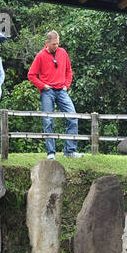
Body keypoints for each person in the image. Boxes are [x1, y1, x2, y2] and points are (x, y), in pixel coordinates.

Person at [26, 30, 81, 159]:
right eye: (54, 44)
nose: (56, 46)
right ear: (47, 43)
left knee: (73, 116)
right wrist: (43, 86)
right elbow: (31, 75)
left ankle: (70, 151)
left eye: (57, 43)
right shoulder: (40, 56)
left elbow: (69, 71)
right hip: (47, 91)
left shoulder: (63, 53)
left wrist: (67, 85)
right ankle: (51, 153)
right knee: (48, 120)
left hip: (61, 90)